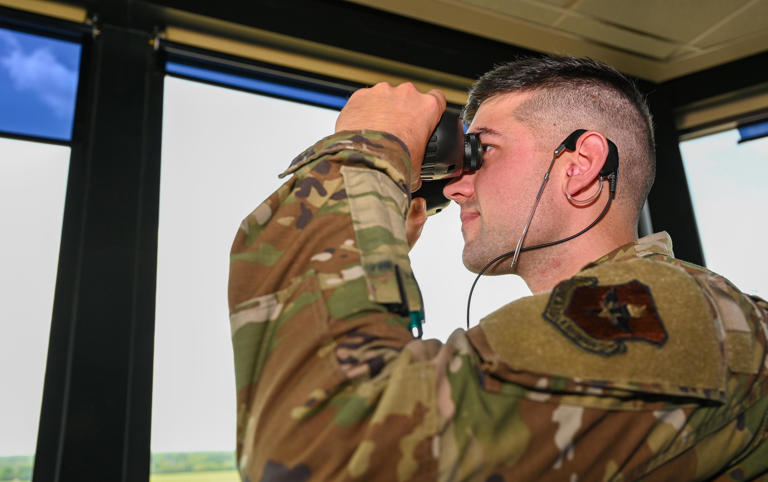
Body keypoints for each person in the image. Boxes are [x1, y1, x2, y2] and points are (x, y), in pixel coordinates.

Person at [228, 56, 768, 481]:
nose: (457, 184)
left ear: (579, 166)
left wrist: (364, 152)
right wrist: (376, 235)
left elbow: (316, 452)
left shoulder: (664, 314)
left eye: (481, 152)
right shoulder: (652, 310)